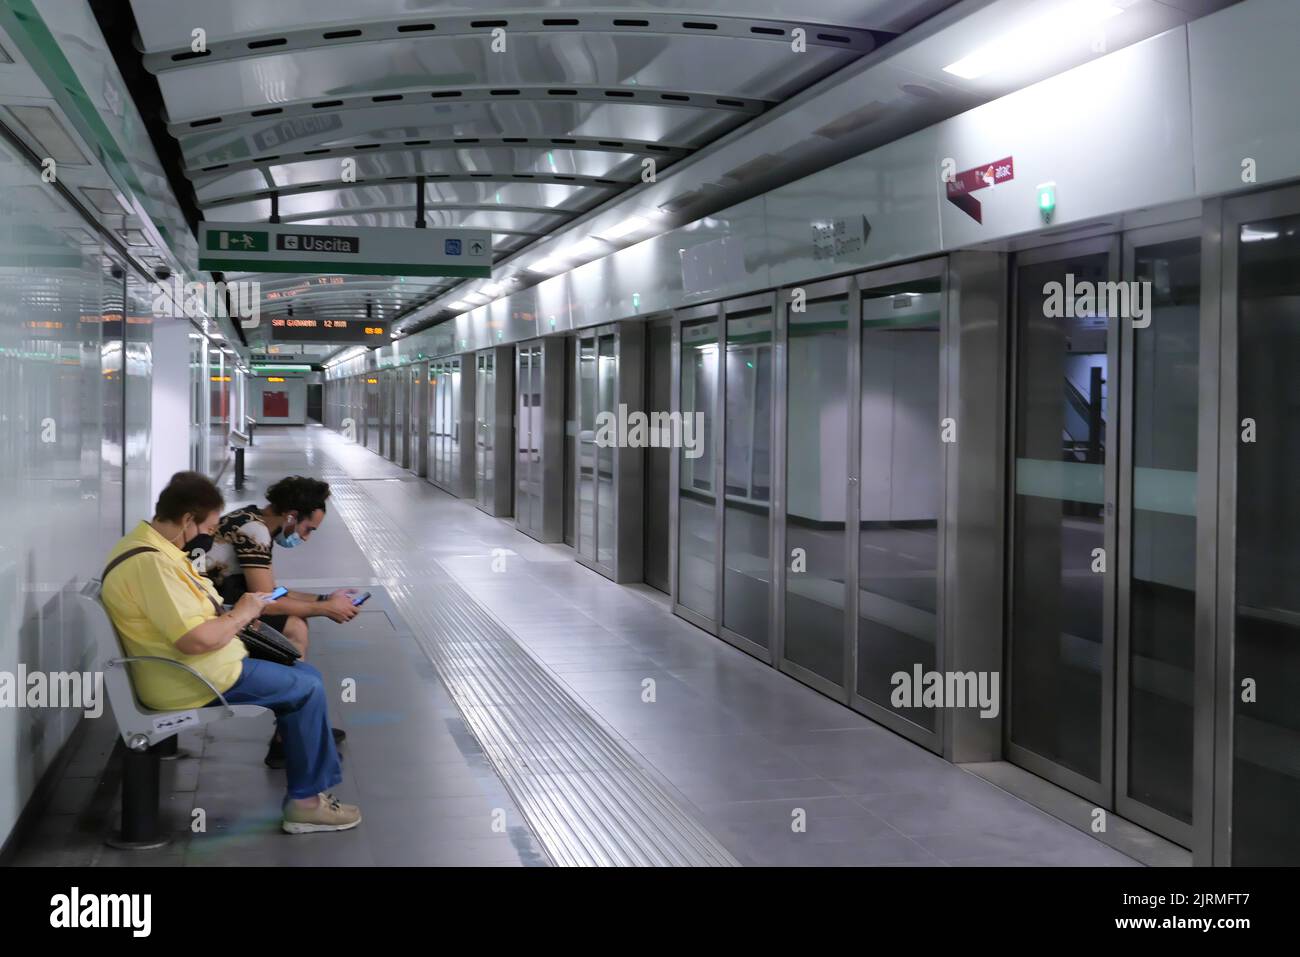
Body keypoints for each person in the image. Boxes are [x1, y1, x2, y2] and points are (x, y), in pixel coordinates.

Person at [101, 470, 361, 834]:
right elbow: (195, 640)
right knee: (308, 687)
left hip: (192, 667)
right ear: (188, 520)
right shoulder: (153, 564)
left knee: (305, 678)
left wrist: (234, 616)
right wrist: (241, 615)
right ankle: (306, 803)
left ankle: (307, 788)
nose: (209, 538)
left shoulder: (152, 549)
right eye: (208, 528)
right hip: (190, 676)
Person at [186, 475, 356, 768]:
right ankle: (290, 735)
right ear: (291, 516)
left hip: (211, 609)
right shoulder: (255, 531)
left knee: (295, 623)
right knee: (294, 627)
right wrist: (327, 608)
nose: (305, 537)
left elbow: (271, 591)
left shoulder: (251, 519)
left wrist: (324, 599)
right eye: (307, 529)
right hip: (209, 620)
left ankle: (295, 726)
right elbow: (269, 603)